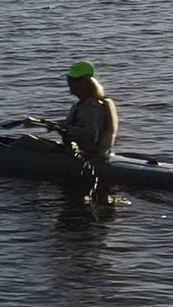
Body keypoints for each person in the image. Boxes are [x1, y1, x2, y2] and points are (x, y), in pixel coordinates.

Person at [20, 59, 120, 201]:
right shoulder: (88, 103)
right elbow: (71, 124)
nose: (69, 84)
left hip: (84, 156)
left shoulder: (90, 106)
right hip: (85, 153)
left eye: (72, 80)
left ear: (84, 84)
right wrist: (40, 122)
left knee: (26, 141)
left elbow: (91, 136)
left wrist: (61, 128)